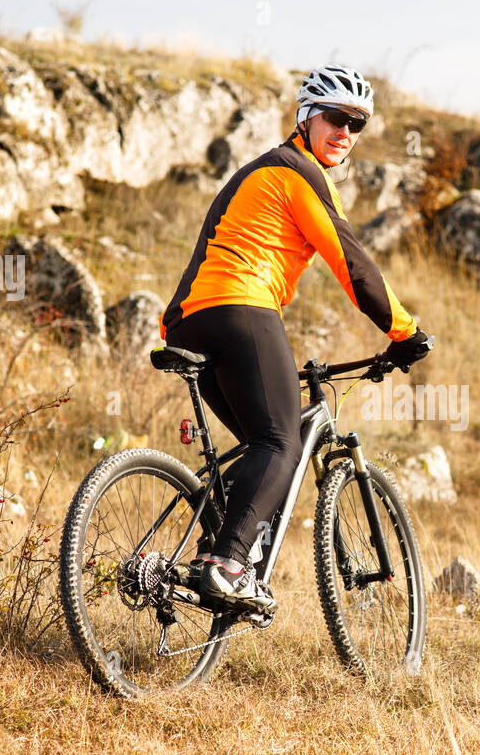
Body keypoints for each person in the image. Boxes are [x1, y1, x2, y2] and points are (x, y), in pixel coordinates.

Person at [158, 63, 431, 611]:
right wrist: (404, 332)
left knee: (261, 449)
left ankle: (205, 558)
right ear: (305, 116)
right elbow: (352, 264)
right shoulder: (296, 171)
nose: (345, 133)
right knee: (283, 443)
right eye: (334, 117)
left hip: (188, 320)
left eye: (357, 124)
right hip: (240, 306)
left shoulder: (263, 170)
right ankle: (229, 563)